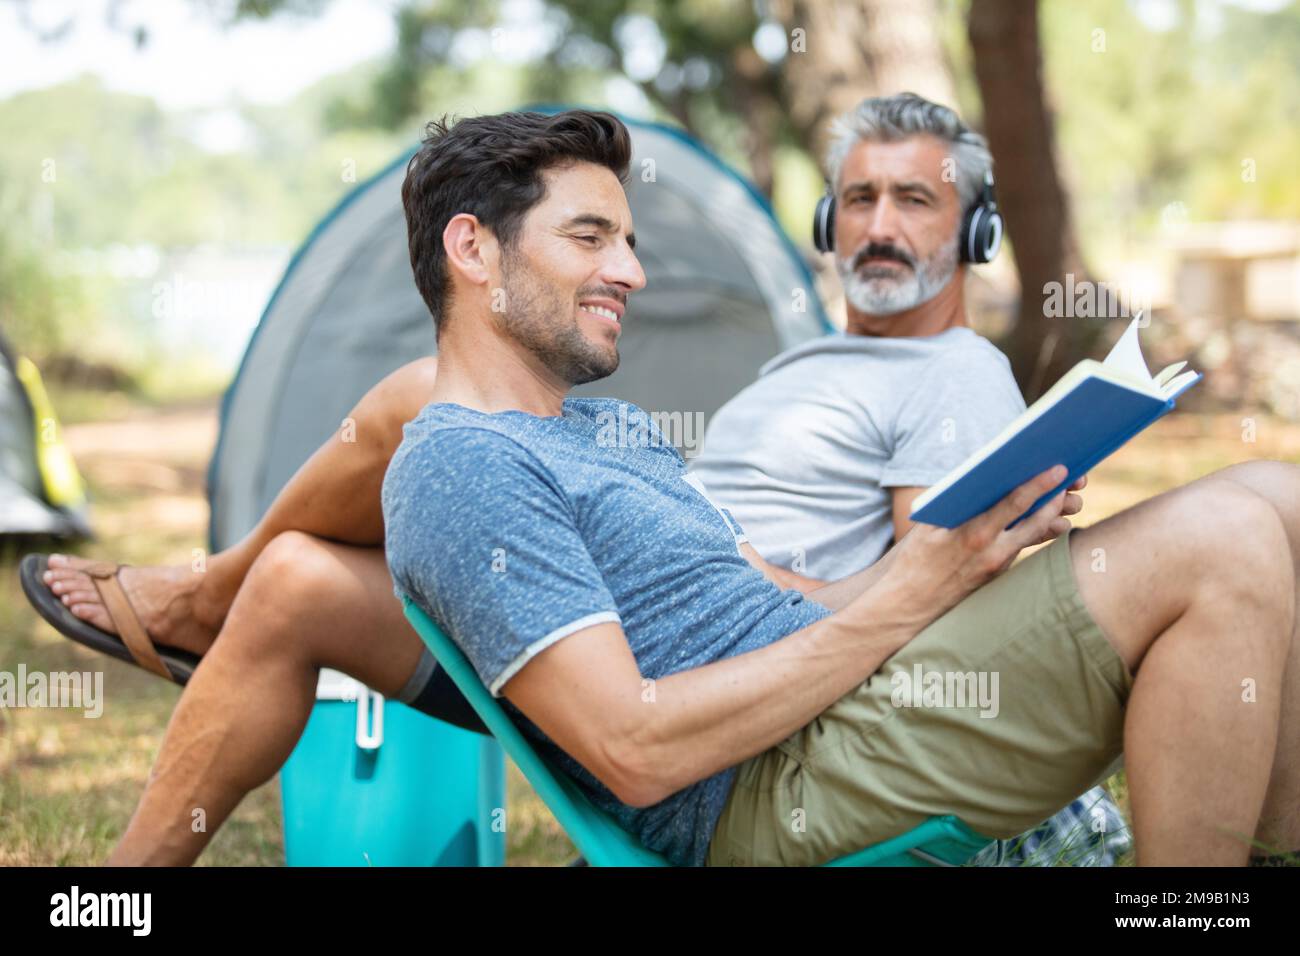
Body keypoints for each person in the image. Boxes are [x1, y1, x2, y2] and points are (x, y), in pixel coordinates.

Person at [25, 109, 1296, 867]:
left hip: (850, 684)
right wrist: (902, 599)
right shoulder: (467, 466)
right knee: (1228, 537)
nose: (630, 267)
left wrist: (939, 560)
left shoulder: (607, 429)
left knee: (1275, 499)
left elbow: (760, 589)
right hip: (786, 776)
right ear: (472, 249)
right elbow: (631, 751)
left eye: (629, 238)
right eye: (590, 235)